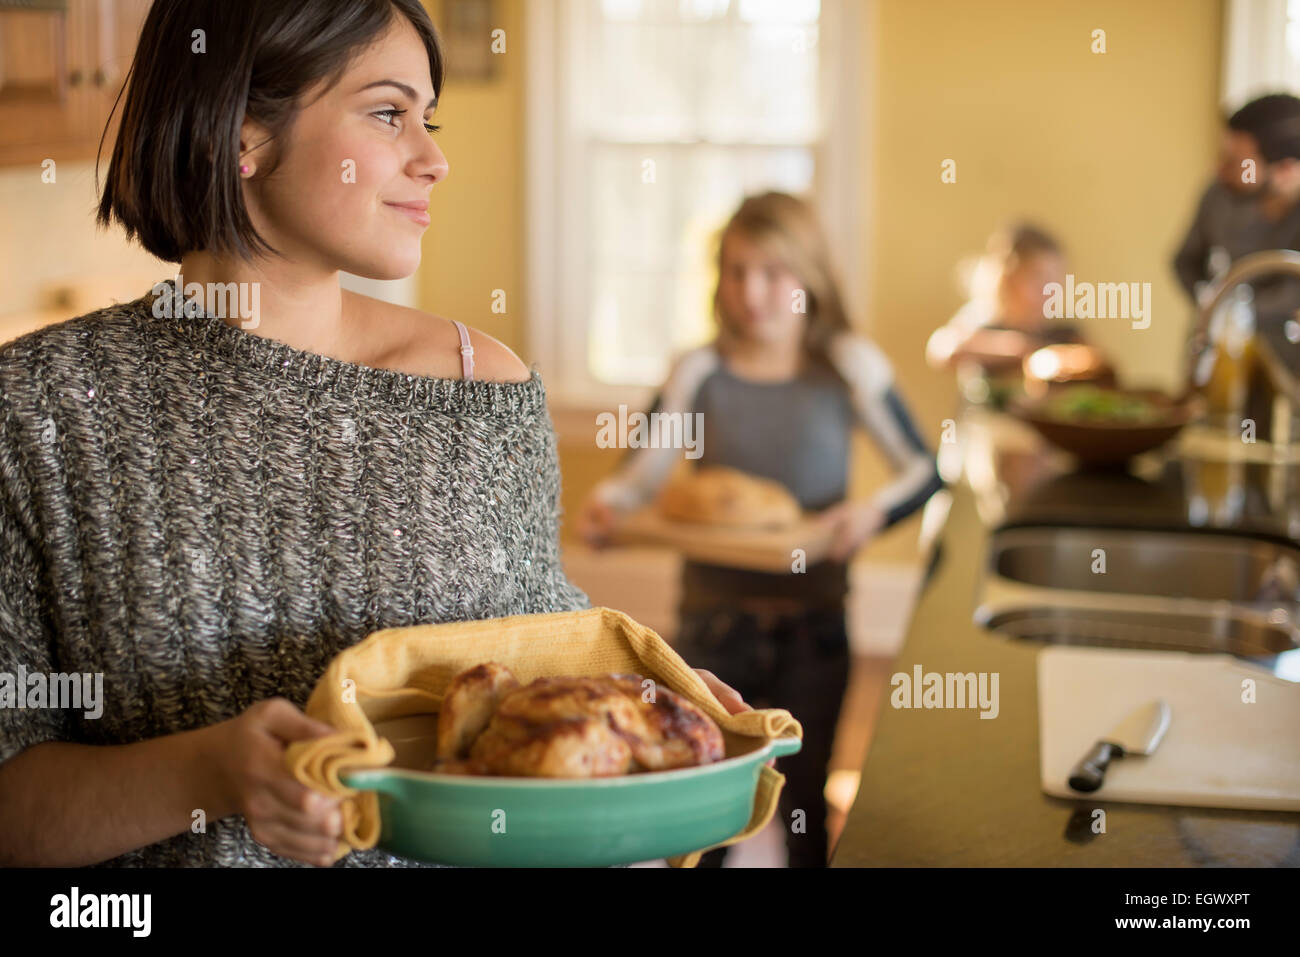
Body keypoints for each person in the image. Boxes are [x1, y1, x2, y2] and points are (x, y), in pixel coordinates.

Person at [0, 0, 748, 868]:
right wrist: (208, 770)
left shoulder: (484, 388)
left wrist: (636, 702)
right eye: (389, 113)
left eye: (426, 119)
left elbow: (530, 666)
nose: (433, 159)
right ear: (242, 133)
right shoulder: (38, 412)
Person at [577, 191, 944, 868]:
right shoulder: (700, 370)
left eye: (773, 272)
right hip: (715, 628)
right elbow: (640, 476)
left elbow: (925, 469)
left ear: (808, 276)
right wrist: (609, 503)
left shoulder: (846, 364)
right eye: (737, 271)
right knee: (706, 804)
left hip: (816, 626)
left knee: (805, 804)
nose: (752, 292)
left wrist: (873, 512)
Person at [1173, 93, 1300, 304]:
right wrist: (1209, 302)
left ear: (1285, 169)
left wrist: (1245, 312)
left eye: (1236, 162)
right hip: (1221, 330)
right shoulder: (1219, 195)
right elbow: (1185, 261)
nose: (1220, 169)